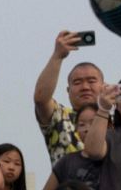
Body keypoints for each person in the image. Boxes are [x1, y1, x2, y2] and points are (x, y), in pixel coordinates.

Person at [33, 30, 105, 164]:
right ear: (68, 90)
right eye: (77, 83)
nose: (85, 87)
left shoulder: (115, 120)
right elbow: (41, 99)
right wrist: (57, 56)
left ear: (104, 86)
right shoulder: (60, 116)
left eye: (91, 81)